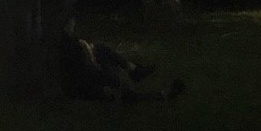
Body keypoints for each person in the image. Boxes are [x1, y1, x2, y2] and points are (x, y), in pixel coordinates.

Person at [55, 34, 186, 102]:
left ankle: (134, 71)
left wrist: (90, 53)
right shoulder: (61, 46)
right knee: (123, 93)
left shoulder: (64, 39)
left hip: (87, 72)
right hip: (84, 79)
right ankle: (160, 95)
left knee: (100, 48)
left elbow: (82, 45)